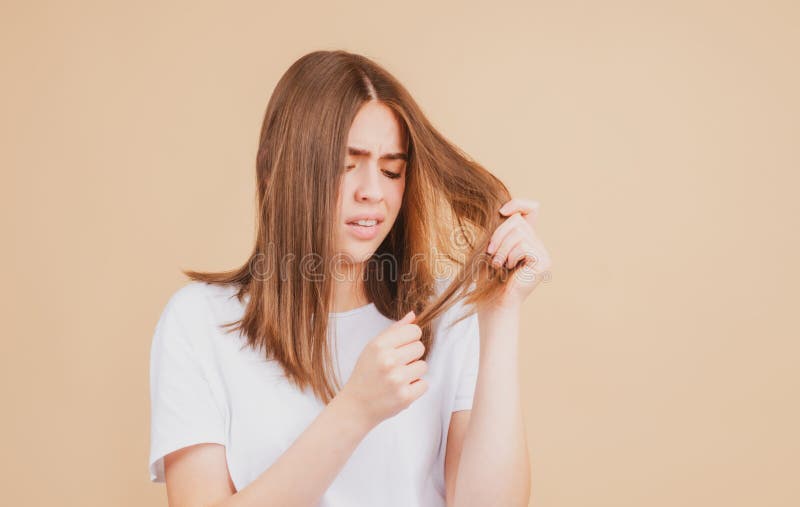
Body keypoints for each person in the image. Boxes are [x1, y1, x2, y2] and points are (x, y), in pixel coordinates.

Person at [148, 50, 551, 507]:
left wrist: (499, 315)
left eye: (391, 170)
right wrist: (355, 410)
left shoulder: (445, 315)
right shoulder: (199, 322)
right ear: (279, 165)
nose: (373, 192)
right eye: (347, 163)